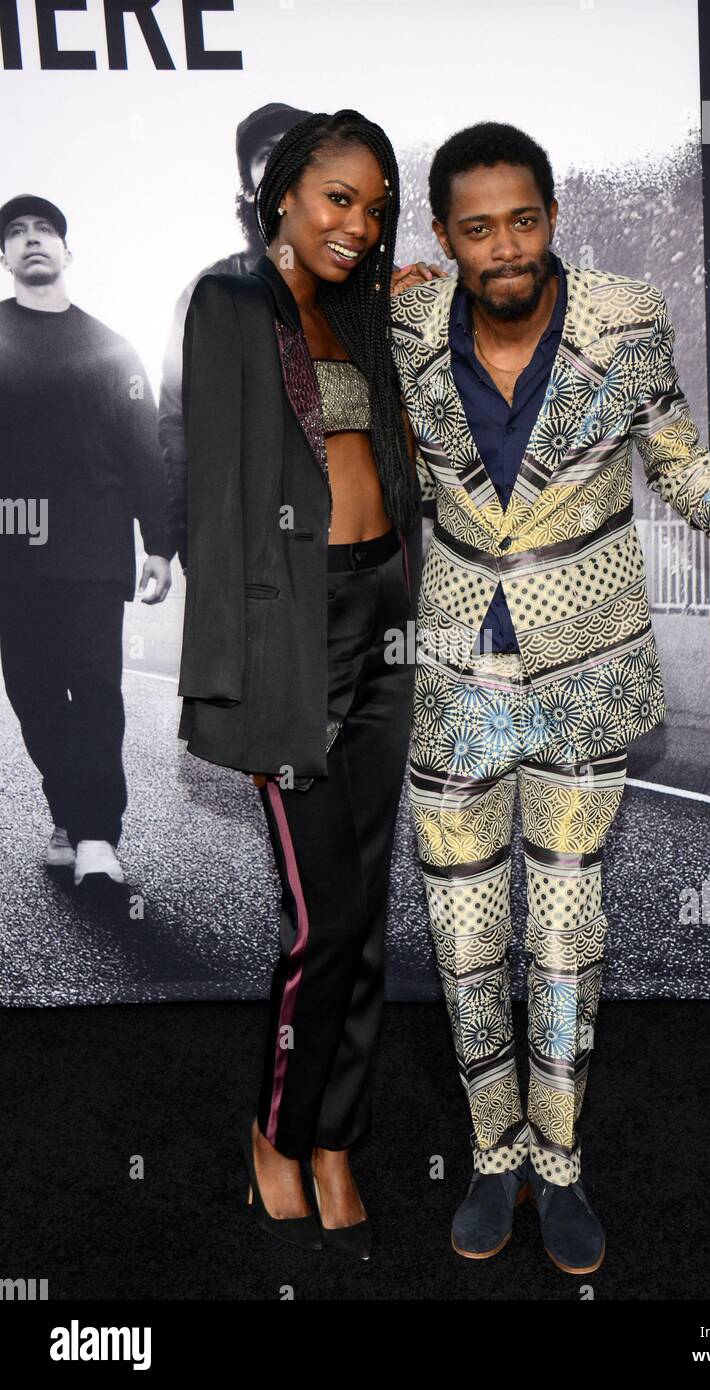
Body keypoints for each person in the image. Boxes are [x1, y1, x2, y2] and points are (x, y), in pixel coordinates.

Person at [390, 122, 710, 1274]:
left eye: (523, 219)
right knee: (465, 939)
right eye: (477, 228)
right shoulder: (407, 325)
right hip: (454, 683)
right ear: (444, 236)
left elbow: (672, 450)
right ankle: (489, 1153)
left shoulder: (627, 316)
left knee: (564, 937)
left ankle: (558, 1165)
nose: (505, 246)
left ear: (552, 216)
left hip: (587, 676)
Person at [176, 110, 423, 1261]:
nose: (356, 224)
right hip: (297, 639)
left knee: (365, 914)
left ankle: (336, 1136)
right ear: (282, 192)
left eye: (375, 207)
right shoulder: (232, 304)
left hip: (385, 615)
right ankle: (274, 1131)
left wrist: (402, 288)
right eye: (337, 198)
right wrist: (228, 683)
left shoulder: (358, 308)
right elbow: (221, 500)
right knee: (323, 918)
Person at [0, 194, 172, 887]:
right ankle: (68, 810)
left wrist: (159, 543)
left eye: (45, 231)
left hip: (93, 549)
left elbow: (144, 450)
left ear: (67, 253)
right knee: (34, 693)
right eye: (16, 233)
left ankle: (97, 835)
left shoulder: (110, 346)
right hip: (10, 553)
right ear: (6, 257)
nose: (32, 240)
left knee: (95, 685)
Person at [159, 102, 313, 571]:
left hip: (360, 557)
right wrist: (187, 537)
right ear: (249, 187)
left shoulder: (378, 288)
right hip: (247, 550)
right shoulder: (212, 292)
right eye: (269, 153)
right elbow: (175, 420)